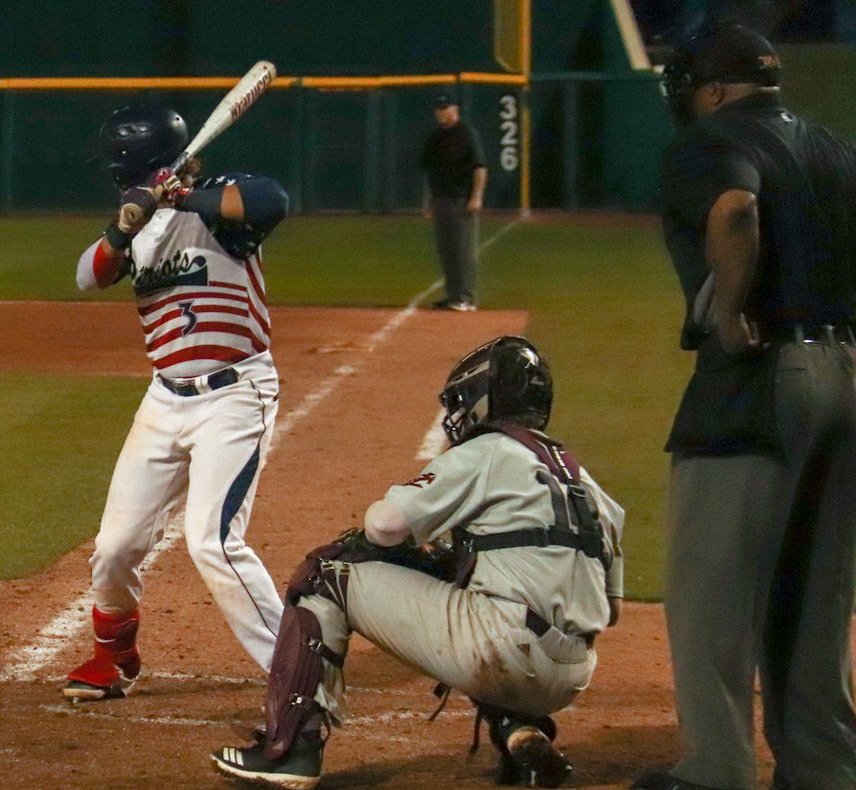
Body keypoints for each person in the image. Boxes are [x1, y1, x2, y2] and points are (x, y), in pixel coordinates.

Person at [211, 336, 625, 789]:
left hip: (505, 651)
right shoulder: (585, 483)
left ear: (486, 400)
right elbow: (612, 608)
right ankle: (518, 731)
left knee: (324, 575)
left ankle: (291, 753)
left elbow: (382, 525)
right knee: (479, 584)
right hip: (572, 673)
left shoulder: (487, 450)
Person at [634, 22, 856, 790]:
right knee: (818, 593)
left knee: (712, 592)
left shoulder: (710, 138)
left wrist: (729, 310)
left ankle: (717, 771)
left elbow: (735, 209)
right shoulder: (834, 148)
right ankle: (825, 767)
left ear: (717, 89)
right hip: (846, 375)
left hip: (764, 381)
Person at [63, 103, 290, 700]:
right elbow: (88, 275)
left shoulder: (216, 203)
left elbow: (271, 200)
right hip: (163, 401)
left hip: (233, 395)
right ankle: (114, 659)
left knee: (213, 541)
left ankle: (296, 670)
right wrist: (125, 226)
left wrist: (180, 197)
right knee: (114, 547)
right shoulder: (137, 224)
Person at [420, 93, 487, 312]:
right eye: (439, 109)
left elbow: (479, 167)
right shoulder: (435, 136)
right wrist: (428, 200)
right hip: (440, 198)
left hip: (459, 198)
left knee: (459, 249)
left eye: (445, 108)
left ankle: (464, 296)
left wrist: (476, 196)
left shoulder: (466, 134)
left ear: (455, 110)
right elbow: (428, 170)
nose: (441, 113)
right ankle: (452, 295)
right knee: (445, 250)